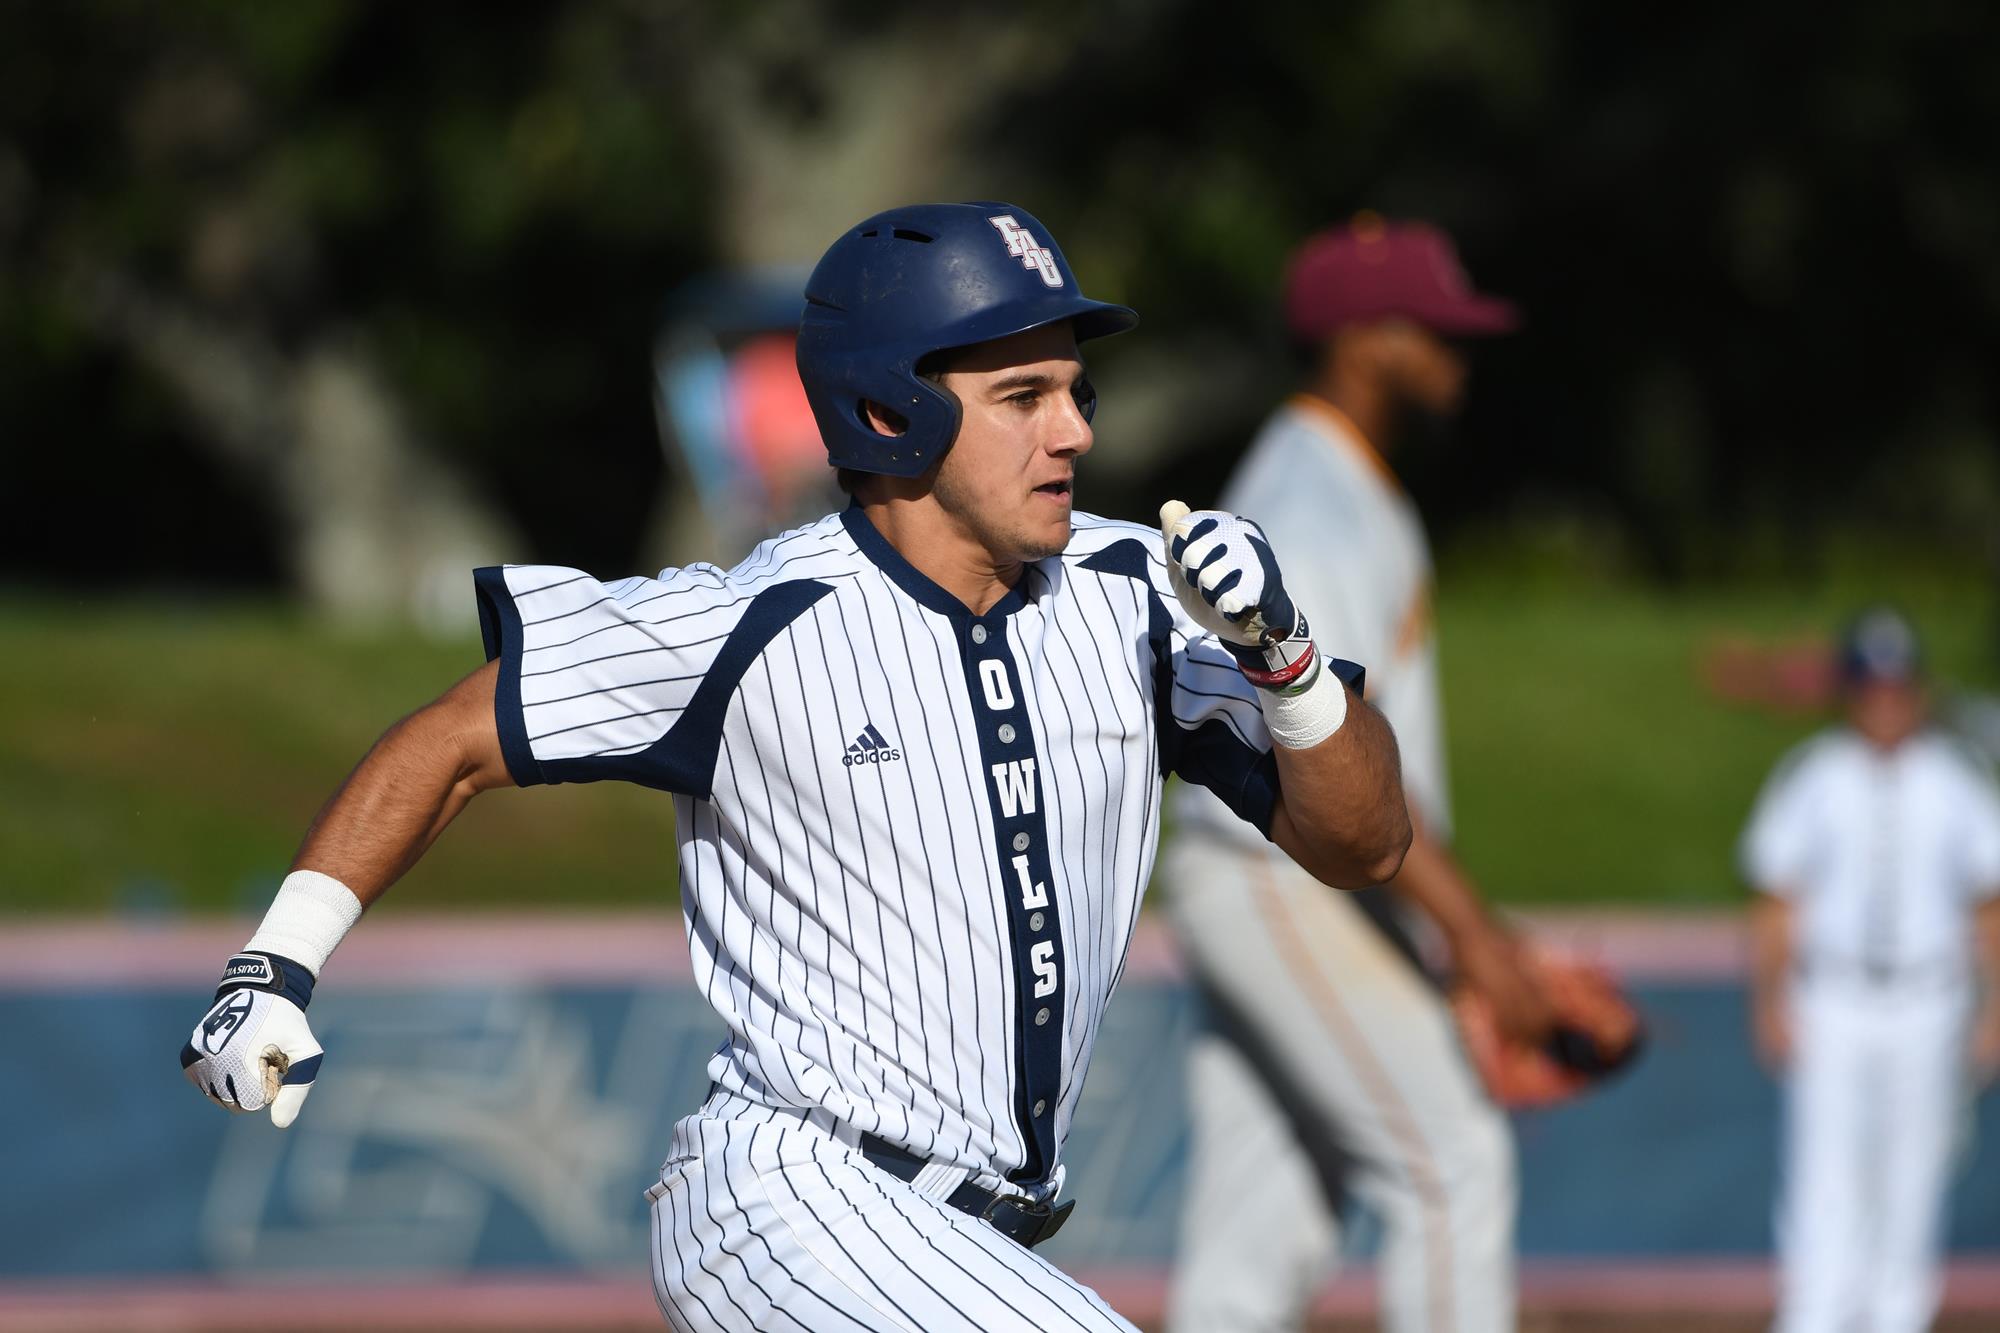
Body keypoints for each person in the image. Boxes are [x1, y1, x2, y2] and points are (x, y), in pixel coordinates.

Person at [177, 201, 1413, 1332]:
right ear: (890, 412)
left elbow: (1364, 843)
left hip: (969, 1243)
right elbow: (452, 740)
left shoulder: (1139, 593)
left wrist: (1287, 659)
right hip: (785, 1202)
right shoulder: (751, 621)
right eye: (1025, 394)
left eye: (1075, 391)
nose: (1076, 430)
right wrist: (272, 965)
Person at [1164, 215, 1551, 1333]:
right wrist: (1475, 940)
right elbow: (1330, 751)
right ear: (1367, 338)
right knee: (1453, 1165)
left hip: (1289, 875)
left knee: (1263, 1219)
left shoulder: (1342, 483)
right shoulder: (1310, 504)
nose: (1455, 353)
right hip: (1275, 869)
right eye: (1434, 329)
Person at [1743, 607, 2000, 1333]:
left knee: (1914, 1173)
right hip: (1834, 995)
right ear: (1849, 691)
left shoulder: (1957, 779)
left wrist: (1992, 1009)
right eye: (1870, 685)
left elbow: (1989, 904)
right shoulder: (1814, 773)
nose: (1884, 701)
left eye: (1897, 685)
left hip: (1927, 996)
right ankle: (1815, 1316)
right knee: (1824, 1175)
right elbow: (1776, 898)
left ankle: (1897, 1317)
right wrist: (1768, 999)